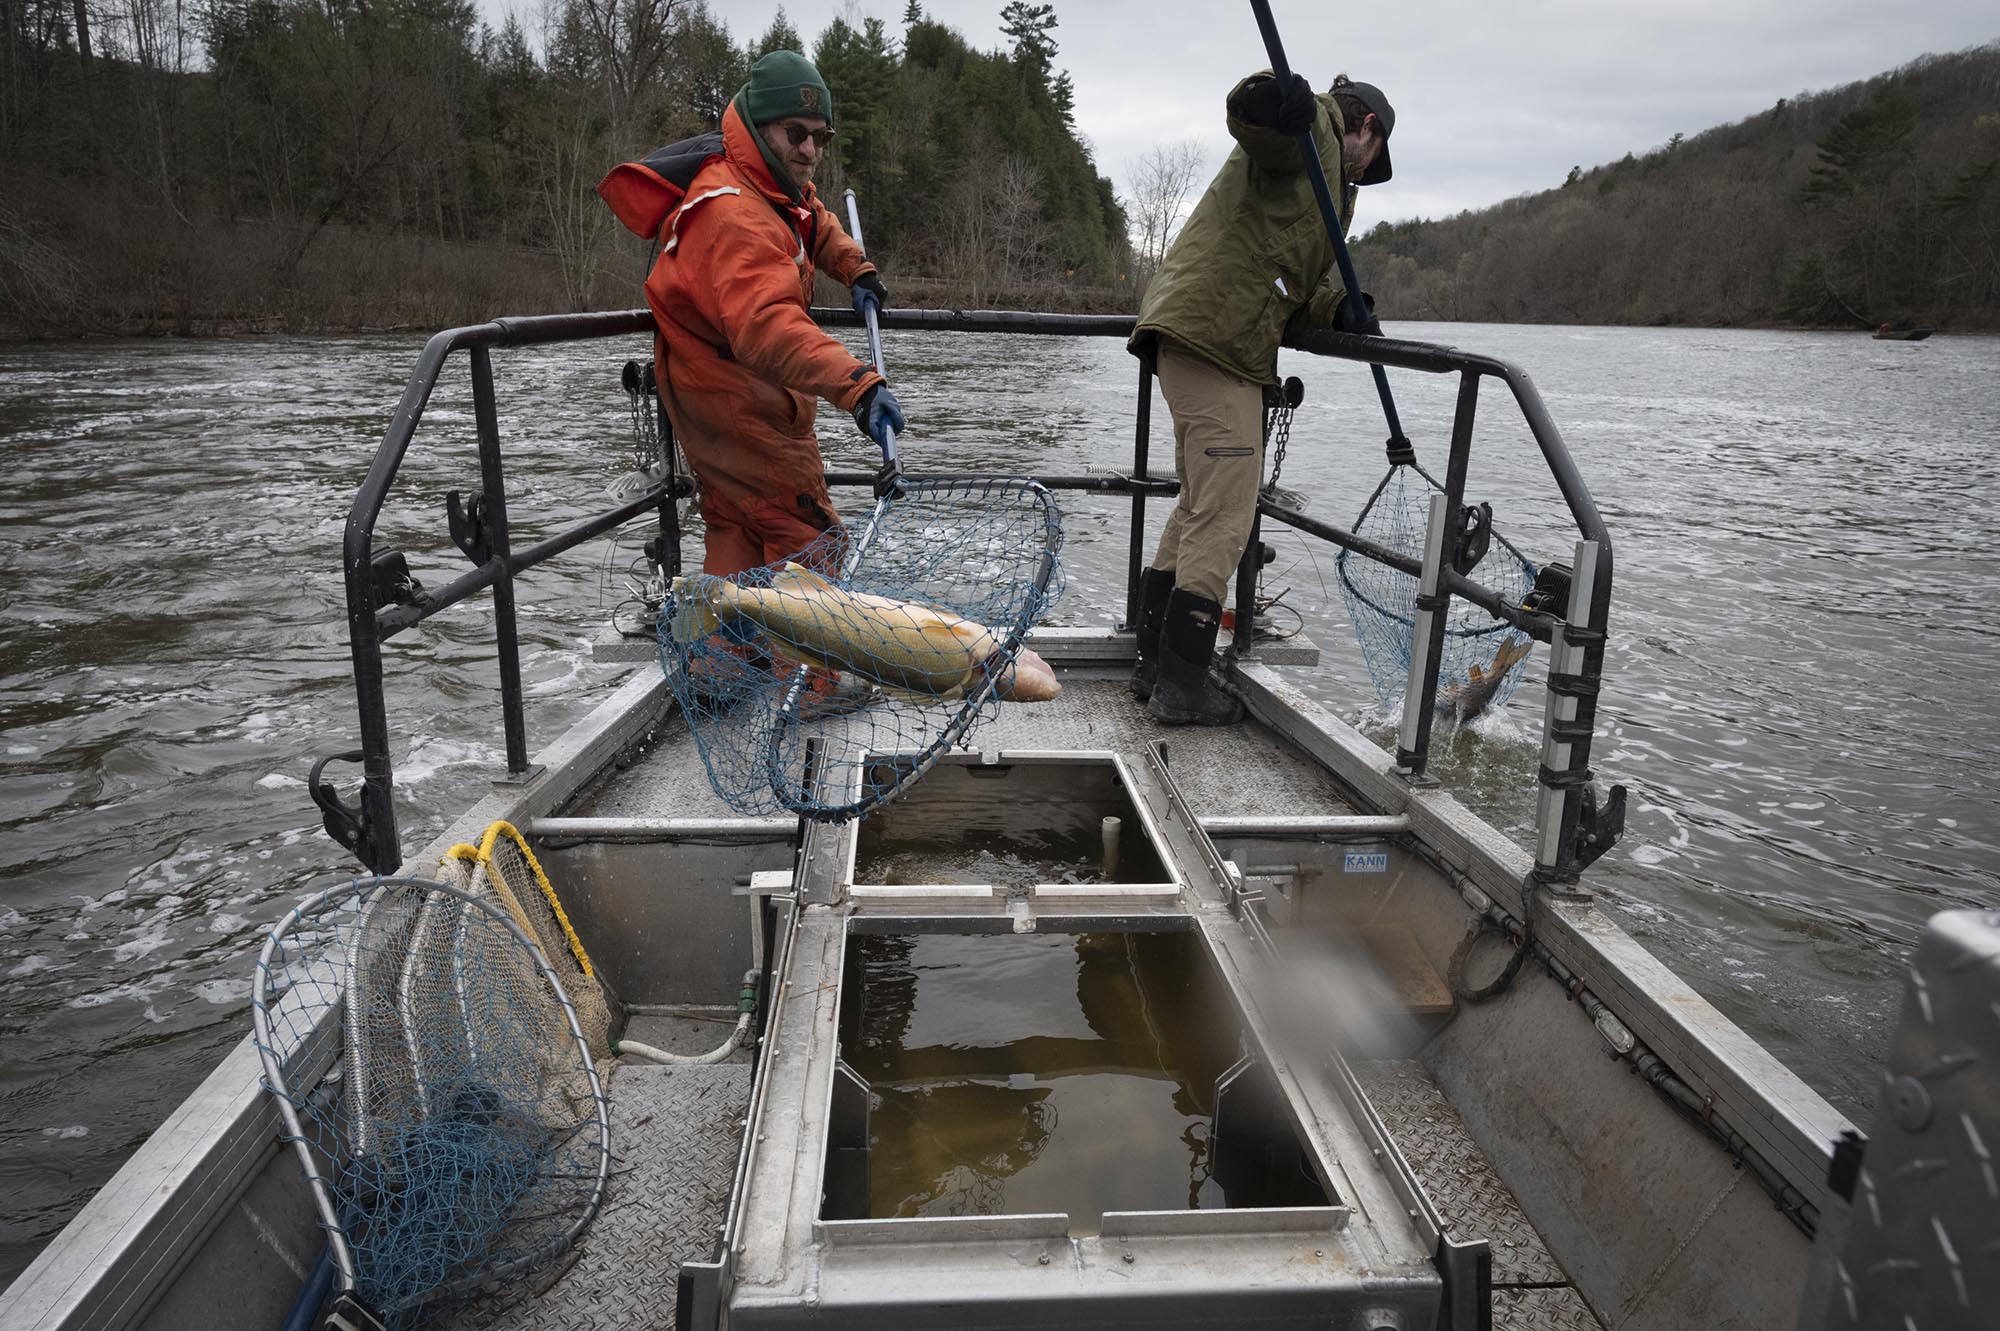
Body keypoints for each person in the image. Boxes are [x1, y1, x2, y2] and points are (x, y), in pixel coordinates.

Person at [1127, 71, 1394, 725]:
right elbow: (1255, 123)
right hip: (1218, 340)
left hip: (1205, 334)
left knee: (1198, 507)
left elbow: (1294, 279)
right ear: (1367, 129)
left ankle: (1156, 662)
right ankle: (1182, 685)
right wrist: (1272, 96)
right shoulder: (1317, 136)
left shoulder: (1332, 184)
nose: (1365, 173)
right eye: (1374, 155)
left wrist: (1343, 308)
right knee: (1224, 518)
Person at [642, 50, 904, 578]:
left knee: (739, 532)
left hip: (719, 403)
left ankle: (722, 659)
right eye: (796, 132)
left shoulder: (764, 181)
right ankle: (806, 666)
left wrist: (856, 269)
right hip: (743, 409)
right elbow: (768, 327)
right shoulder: (733, 212)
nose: (810, 149)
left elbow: (813, 218)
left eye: (821, 136)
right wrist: (859, 385)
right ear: (761, 128)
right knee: (811, 545)